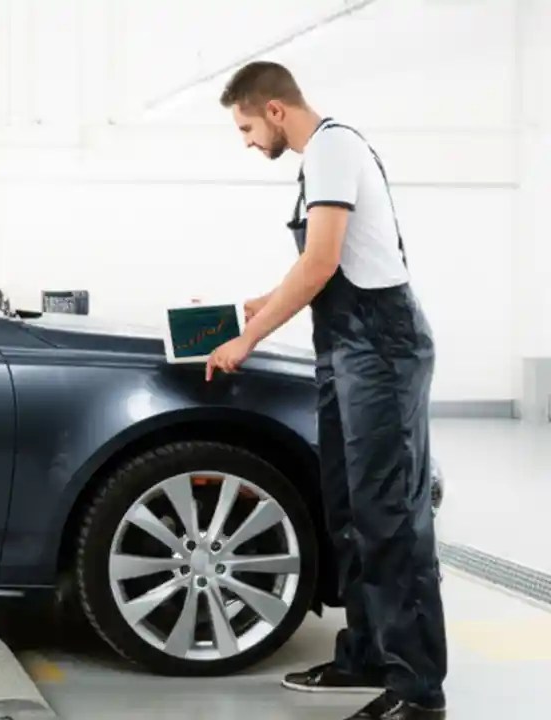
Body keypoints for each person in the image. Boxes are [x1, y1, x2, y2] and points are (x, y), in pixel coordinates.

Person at [204, 61, 447, 720]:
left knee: (391, 519)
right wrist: (257, 305)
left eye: (248, 126)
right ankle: (365, 656)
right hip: (346, 346)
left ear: (276, 110)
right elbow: (319, 262)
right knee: (347, 510)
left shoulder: (335, 146)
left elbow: (321, 263)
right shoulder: (320, 161)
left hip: (382, 348)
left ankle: (419, 690)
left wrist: (246, 341)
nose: (249, 141)